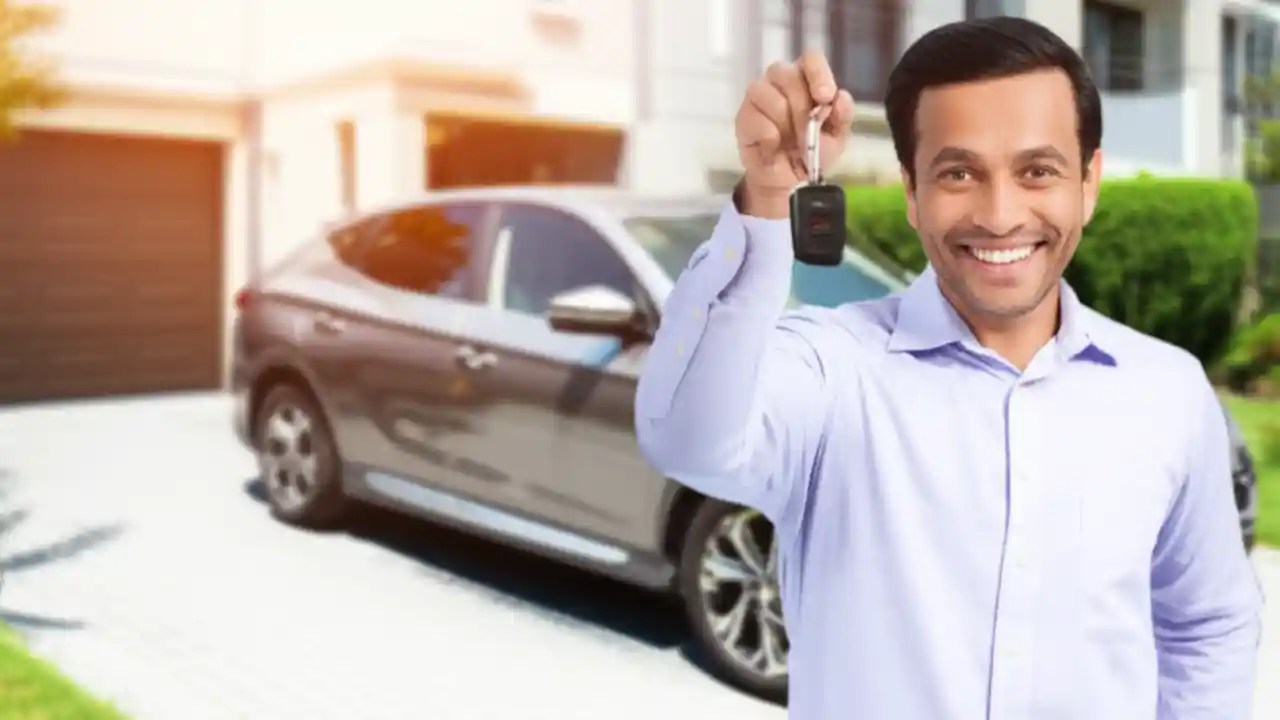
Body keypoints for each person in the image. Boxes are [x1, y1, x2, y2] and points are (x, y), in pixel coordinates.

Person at [634, 16, 1263, 720]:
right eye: (958, 172)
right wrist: (766, 202)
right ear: (911, 191)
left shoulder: (1168, 392)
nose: (999, 215)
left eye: (1038, 171)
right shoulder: (831, 372)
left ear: (1088, 182)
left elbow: (1207, 624)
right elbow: (684, 438)